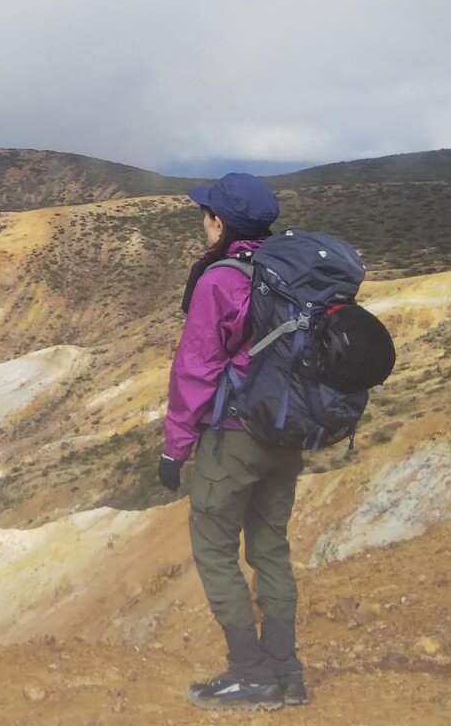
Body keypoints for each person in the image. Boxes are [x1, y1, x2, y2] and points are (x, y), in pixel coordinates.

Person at [155, 172, 309, 711]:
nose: (203, 222)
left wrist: (175, 448)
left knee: (215, 548)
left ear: (220, 223)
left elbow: (196, 368)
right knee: (270, 548)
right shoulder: (290, 271)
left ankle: (250, 672)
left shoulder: (220, 279)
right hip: (286, 435)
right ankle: (287, 673)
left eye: (207, 214)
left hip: (235, 435)